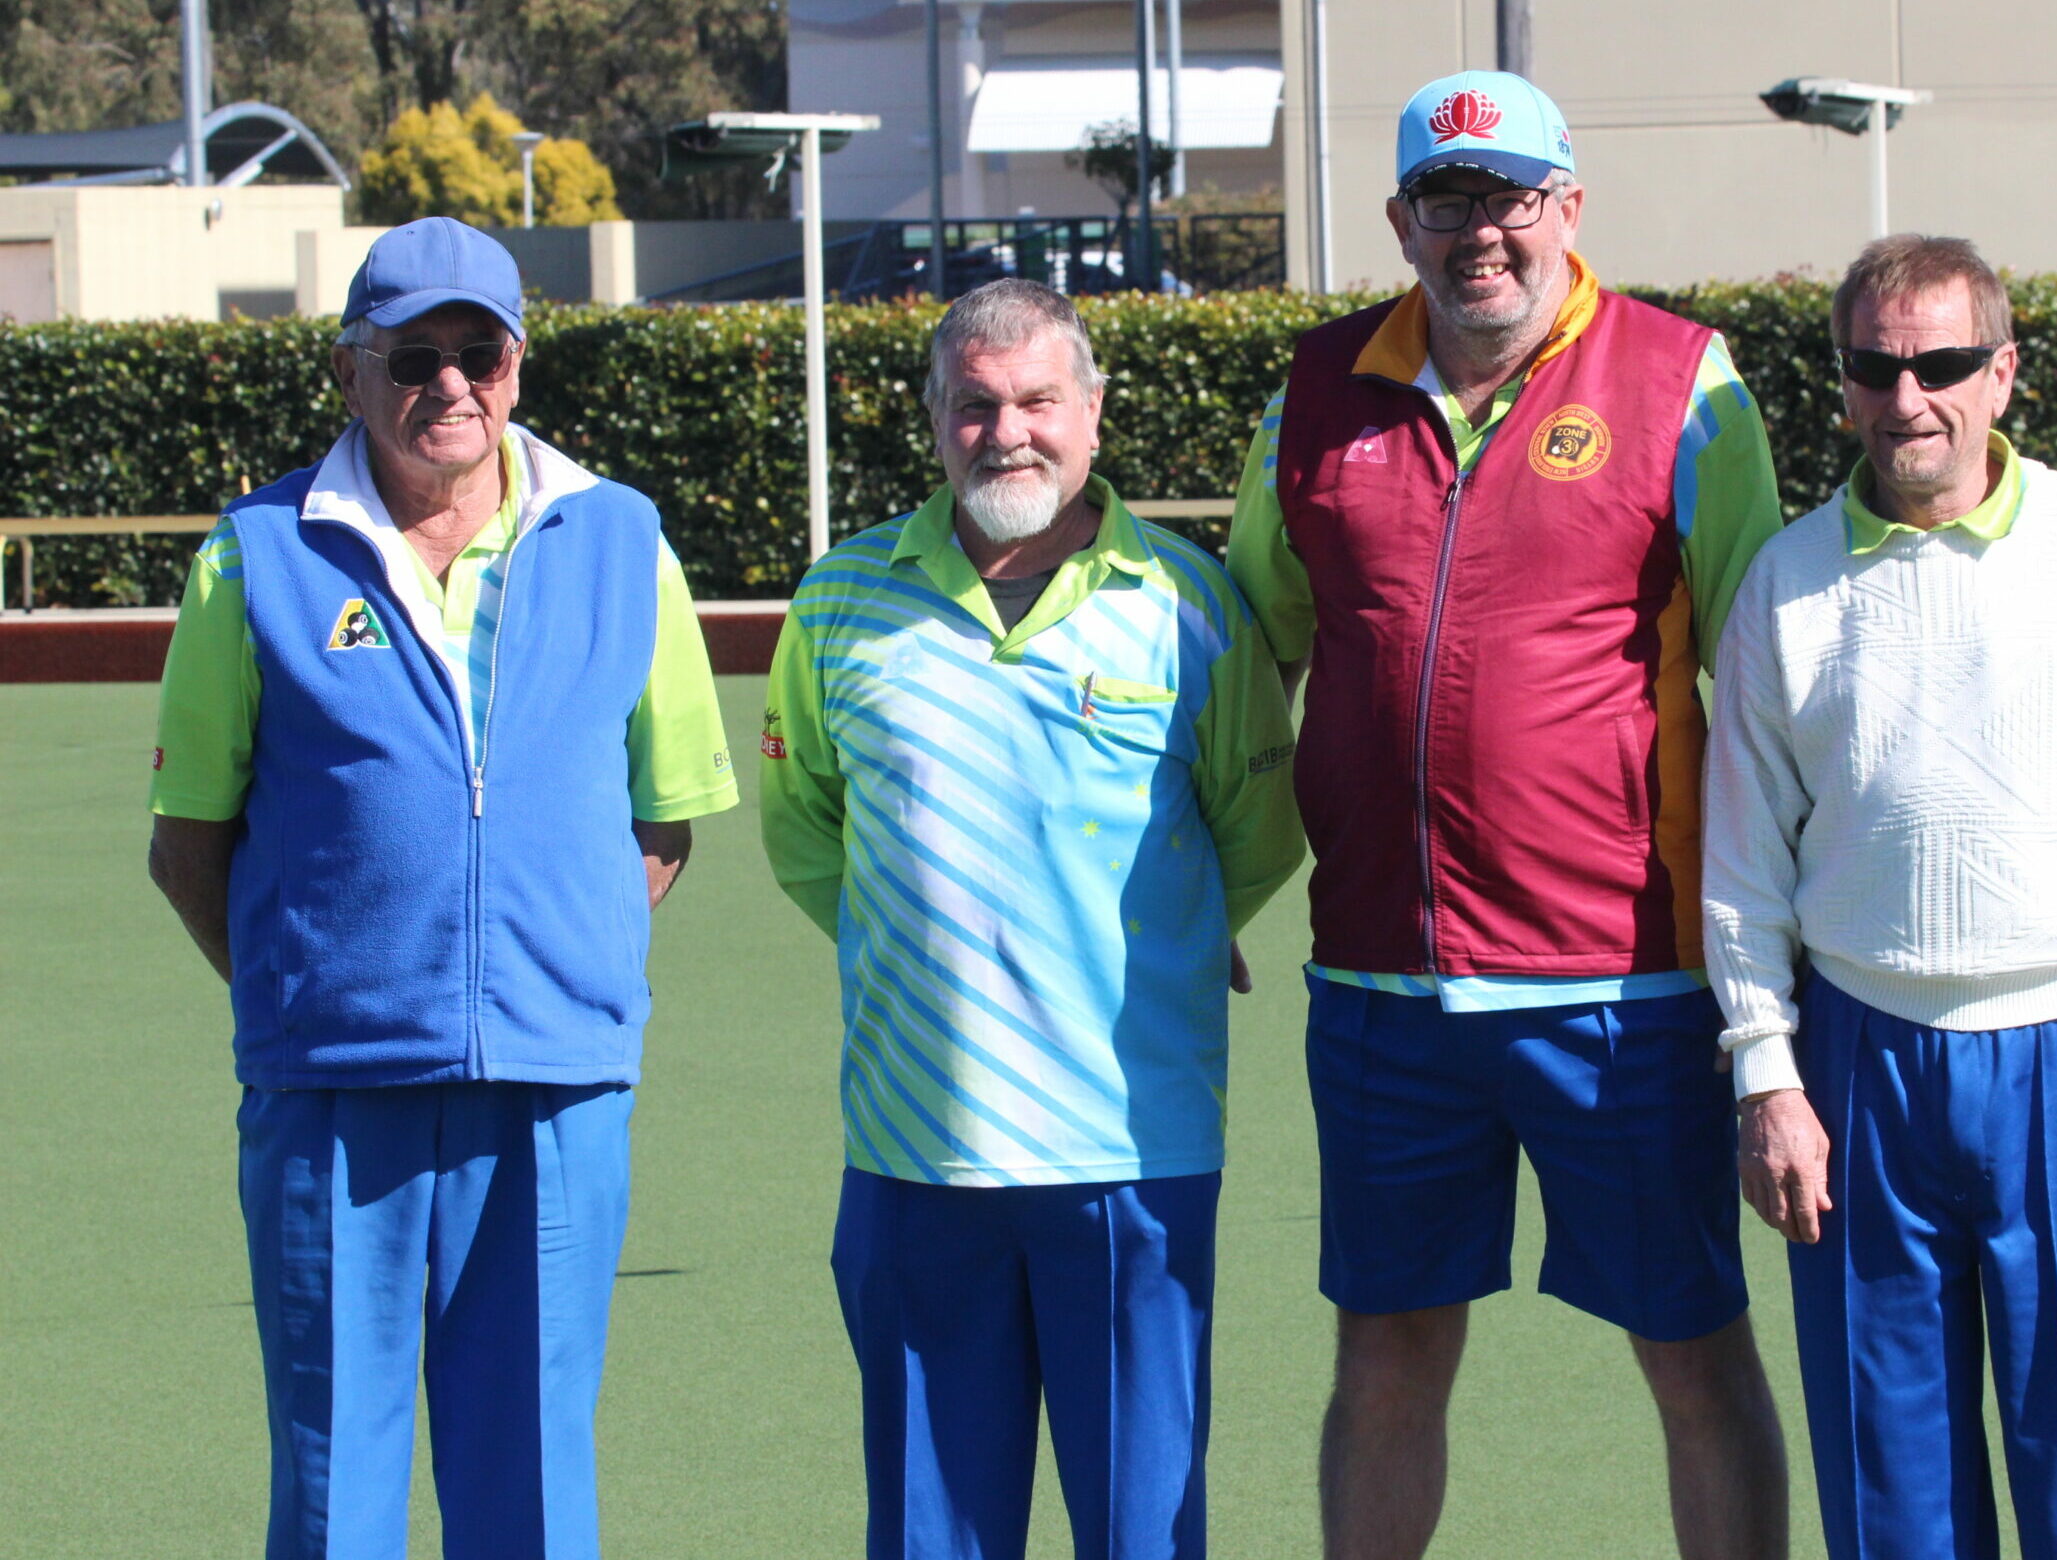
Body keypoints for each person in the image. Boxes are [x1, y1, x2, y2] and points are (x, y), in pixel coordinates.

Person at [1225, 71, 1793, 1560]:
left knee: (1689, 1353)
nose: (1482, 233)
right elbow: (1240, 659)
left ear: (1567, 209)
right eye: (1448, 200)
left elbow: (1766, 674)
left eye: (1512, 197)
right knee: (1385, 1358)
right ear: (1403, 219)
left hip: (1623, 982)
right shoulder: (1313, 388)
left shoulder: (1683, 379)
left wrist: (1783, 949)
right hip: (1376, 984)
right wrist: (1208, 887)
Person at [146, 216, 738, 1560]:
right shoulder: (253, 557)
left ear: (518, 367)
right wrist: (333, 982)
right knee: (332, 1481)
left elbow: (663, 820)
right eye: (417, 355)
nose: (452, 385)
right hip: (334, 1089)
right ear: (352, 371)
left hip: (553, 1077)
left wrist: (538, 955)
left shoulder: (622, 537)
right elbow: (189, 843)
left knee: (530, 1473)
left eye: (482, 351)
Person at [1702, 234, 2057, 1560]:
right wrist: (1763, 1075)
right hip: (1856, 1067)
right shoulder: (1783, 585)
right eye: (1874, 368)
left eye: (1943, 364)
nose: (1908, 399)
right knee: (1886, 1461)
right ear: (1840, 386)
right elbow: (1739, 868)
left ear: (2001, 373)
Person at [759, 279, 1304, 1560]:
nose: (1006, 432)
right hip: (914, 1152)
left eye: (1036, 402)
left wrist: (1152, 932)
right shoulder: (840, 600)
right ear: (935, 421)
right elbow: (804, 831)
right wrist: (939, 949)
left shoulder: (1191, 604)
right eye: (973, 406)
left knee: (1142, 1528)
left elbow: (1256, 830)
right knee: (931, 1532)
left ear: (1093, 415)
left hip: (1130, 1154)